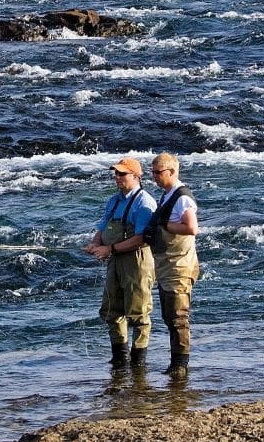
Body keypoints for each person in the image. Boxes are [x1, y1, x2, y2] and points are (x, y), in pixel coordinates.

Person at [85, 155, 156, 370]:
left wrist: (109, 249)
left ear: (135, 177)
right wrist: (95, 244)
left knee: (138, 311)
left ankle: (138, 361)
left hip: (137, 261)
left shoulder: (145, 203)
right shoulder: (114, 200)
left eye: (121, 174)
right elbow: (103, 227)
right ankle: (119, 357)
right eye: (115, 173)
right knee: (111, 309)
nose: (117, 177)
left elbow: (142, 238)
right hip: (114, 260)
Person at [144, 152, 200, 375]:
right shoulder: (167, 195)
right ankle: (175, 362)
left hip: (179, 266)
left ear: (172, 172)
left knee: (178, 317)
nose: (155, 177)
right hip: (166, 265)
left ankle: (180, 365)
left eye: (159, 172)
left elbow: (191, 228)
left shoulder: (182, 198)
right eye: (153, 172)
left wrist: (167, 226)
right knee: (169, 316)